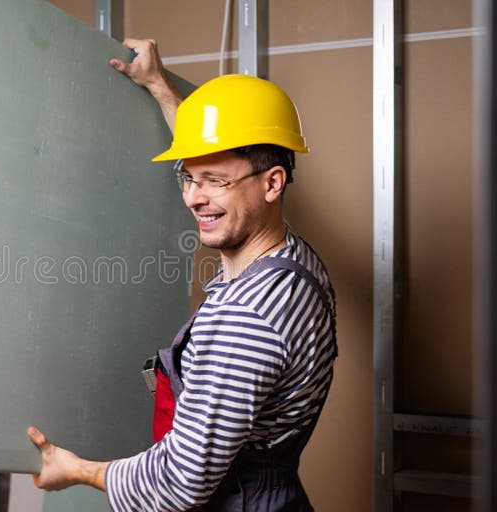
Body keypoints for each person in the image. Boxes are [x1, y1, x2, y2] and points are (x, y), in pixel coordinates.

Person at [27, 38, 338, 512]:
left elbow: (181, 482)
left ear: (273, 182)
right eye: (188, 177)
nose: (194, 197)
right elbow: (211, 160)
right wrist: (159, 87)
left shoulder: (245, 318)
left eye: (215, 182)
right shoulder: (297, 266)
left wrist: (79, 470)